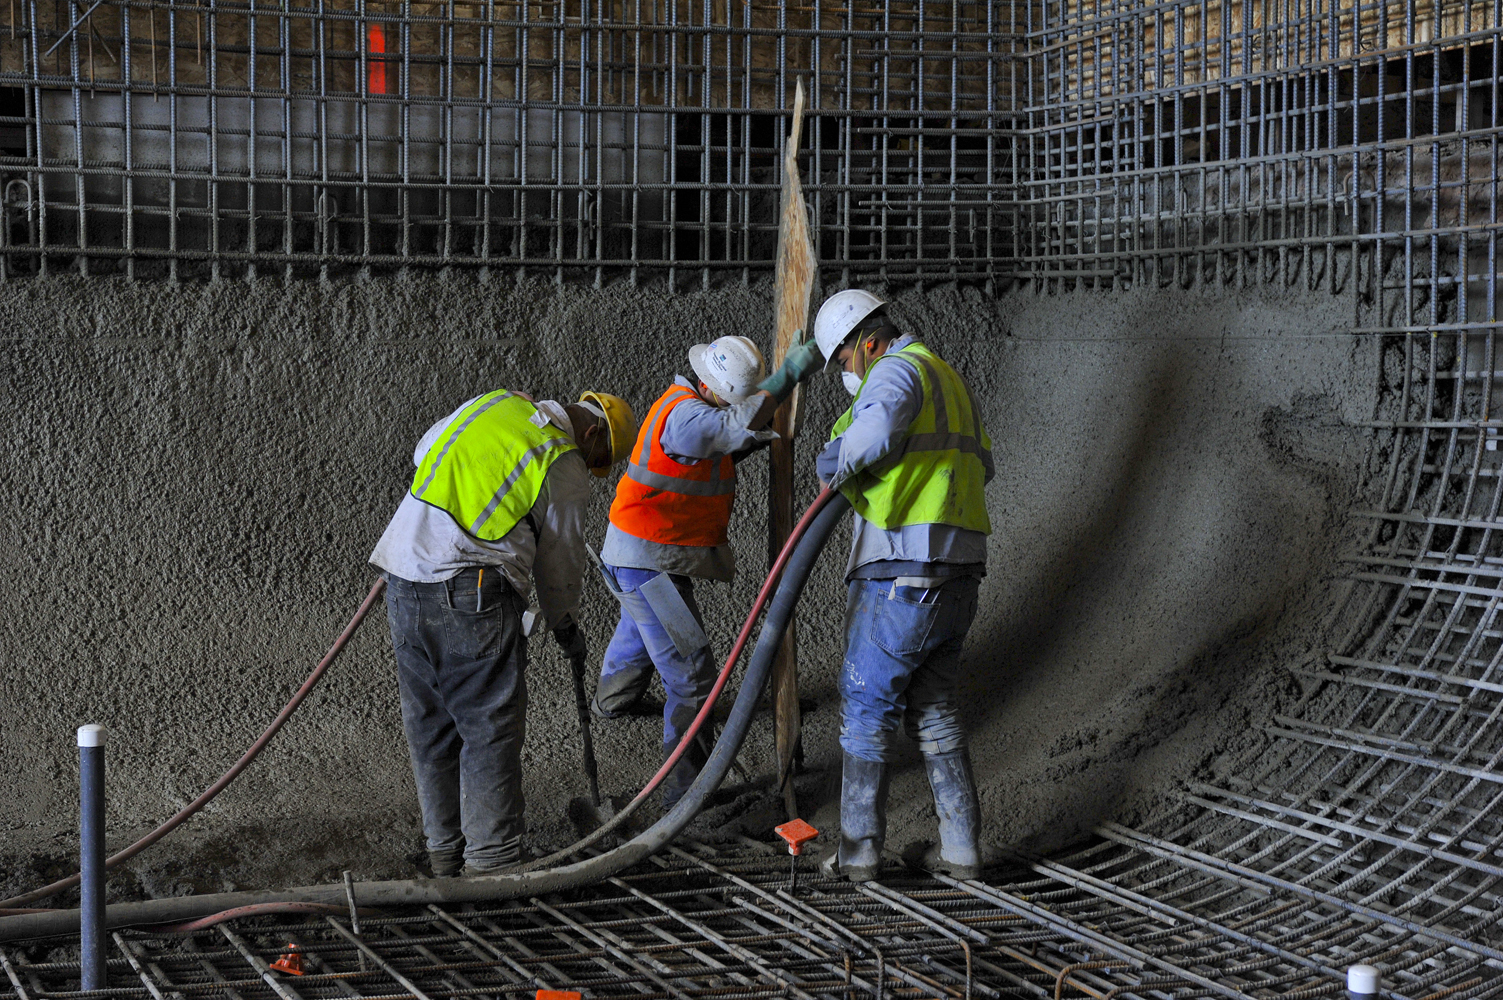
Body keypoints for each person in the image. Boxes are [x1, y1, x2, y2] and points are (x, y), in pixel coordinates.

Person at [369, 388, 636, 877]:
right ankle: (491, 864)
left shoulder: (494, 404)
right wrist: (566, 624)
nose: (594, 468)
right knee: (488, 727)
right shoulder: (564, 460)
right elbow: (561, 559)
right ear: (593, 433)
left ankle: (444, 853)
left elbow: (425, 450)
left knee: (430, 726)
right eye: (601, 460)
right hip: (470, 587)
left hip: (401, 576)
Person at [591, 334, 824, 808]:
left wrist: (750, 441)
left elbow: (715, 444)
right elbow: (727, 426)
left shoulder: (684, 406)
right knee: (693, 675)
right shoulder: (686, 417)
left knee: (640, 631)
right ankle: (685, 792)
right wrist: (788, 376)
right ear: (712, 386)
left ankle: (613, 701)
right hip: (648, 564)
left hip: (635, 555)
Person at [810, 289, 995, 881]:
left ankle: (859, 855)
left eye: (841, 360)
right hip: (959, 569)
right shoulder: (948, 378)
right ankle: (962, 850)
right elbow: (981, 463)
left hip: (902, 569)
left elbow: (878, 430)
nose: (844, 372)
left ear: (866, 340)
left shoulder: (894, 370)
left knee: (867, 706)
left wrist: (836, 461)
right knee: (934, 706)